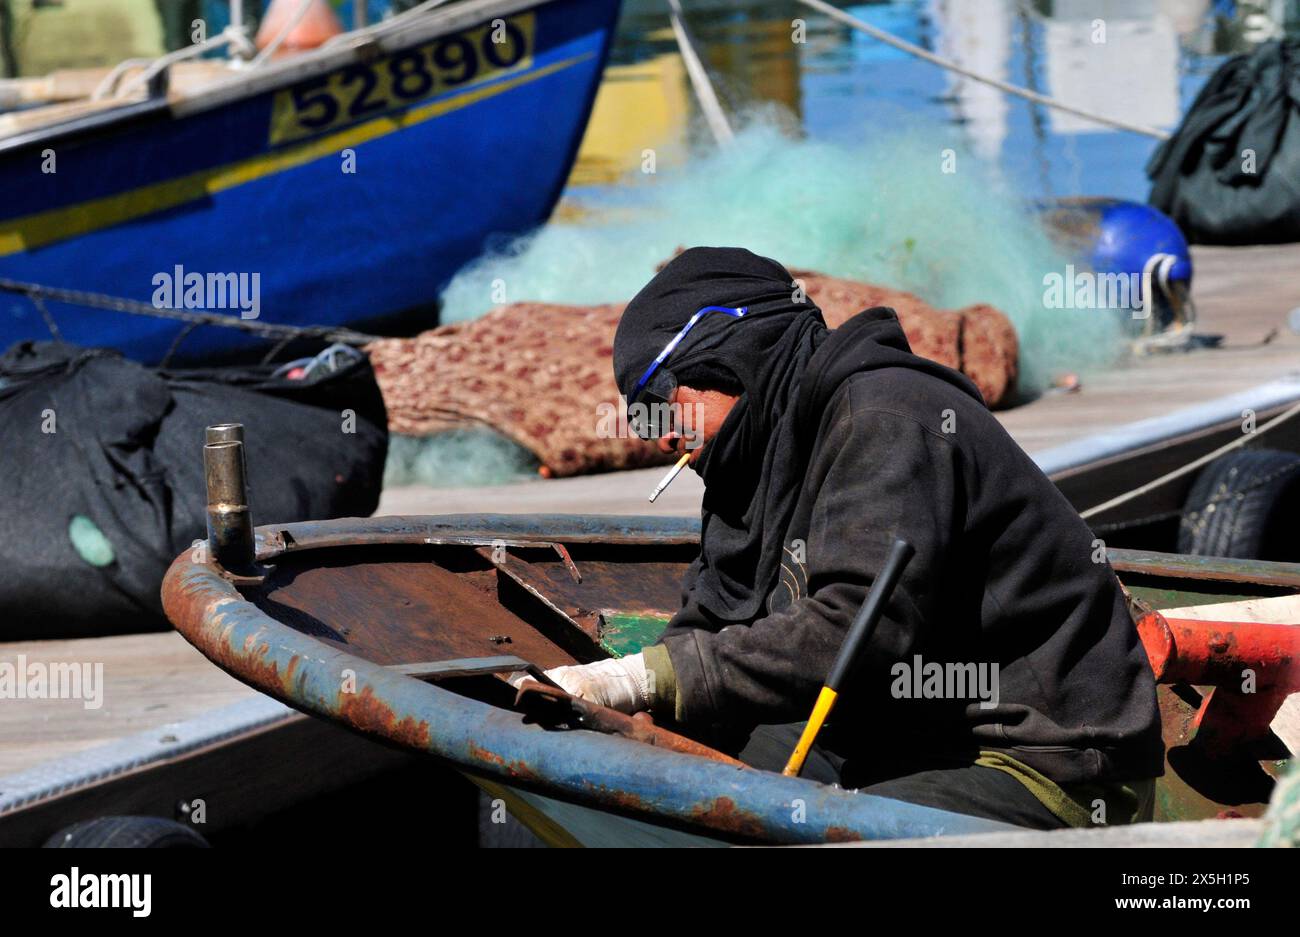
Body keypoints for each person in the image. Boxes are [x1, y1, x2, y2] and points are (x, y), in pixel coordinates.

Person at [538, 246, 1163, 829]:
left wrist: (647, 678)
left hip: (1037, 756)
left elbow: (855, 629)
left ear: (727, 352)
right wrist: (625, 704)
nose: (660, 436)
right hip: (897, 729)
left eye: (657, 399)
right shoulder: (754, 452)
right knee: (671, 781)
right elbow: (713, 617)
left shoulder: (886, 415)